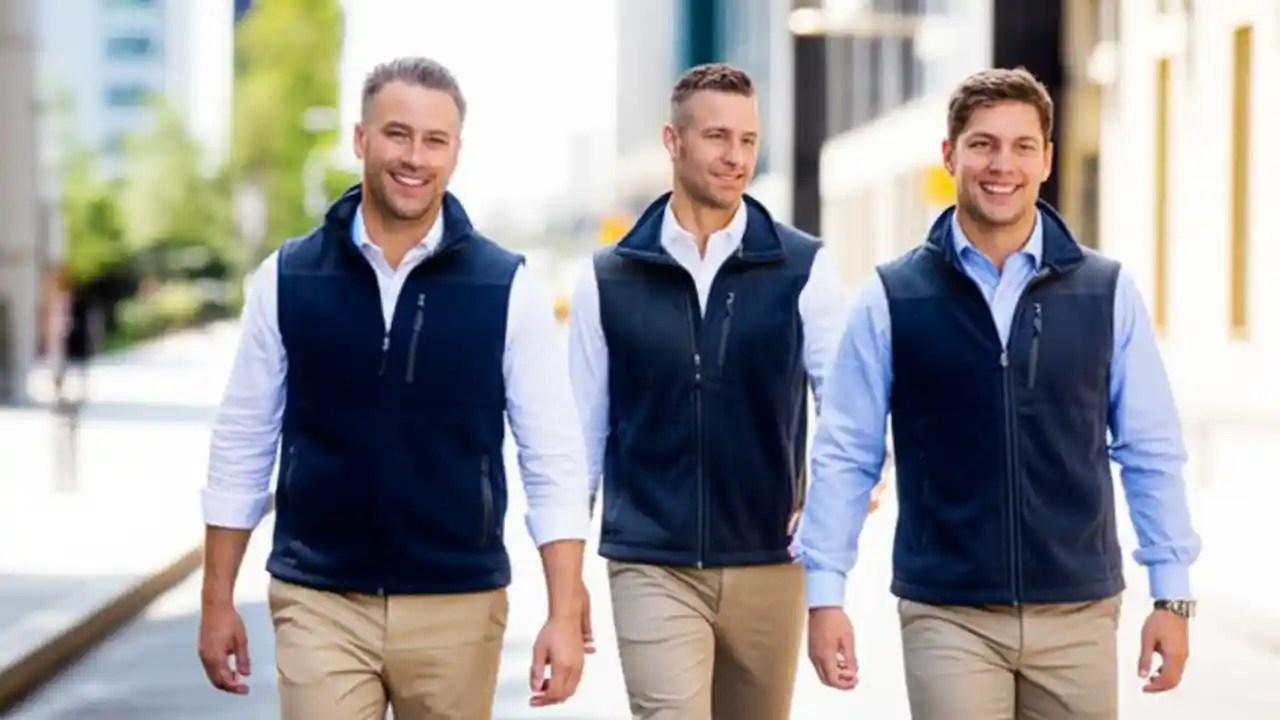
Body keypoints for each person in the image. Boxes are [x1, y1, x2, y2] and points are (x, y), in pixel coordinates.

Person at [798, 67, 1202, 720]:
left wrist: (1172, 596)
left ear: (1046, 158)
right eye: (982, 144)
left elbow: (1151, 450)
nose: (1001, 165)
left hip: (1079, 611)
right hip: (948, 615)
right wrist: (824, 594)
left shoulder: (1106, 292)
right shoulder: (891, 297)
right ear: (949, 154)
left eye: (1021, 146)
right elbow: (847, 453)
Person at [197, 57, 593, 720]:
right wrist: (216, 601)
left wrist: (563, 607)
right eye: (396, 134)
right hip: (319, 598)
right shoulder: (287, 278)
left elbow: (552, 455)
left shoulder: (506, 288)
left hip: (457, 607)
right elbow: (242, 441)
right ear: (360, 140)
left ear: (456, 153)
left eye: (435, 140)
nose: (415, 158)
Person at [568, 63, 848, 720]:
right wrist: (564, 580)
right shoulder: (609, 278)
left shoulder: (803, 267)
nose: (735, 157)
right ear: (673, 141)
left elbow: (849, 411)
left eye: (748, 140)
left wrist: (835, 505)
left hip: (770, 561)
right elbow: (578, 440)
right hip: (650, 561)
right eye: (717, 137)